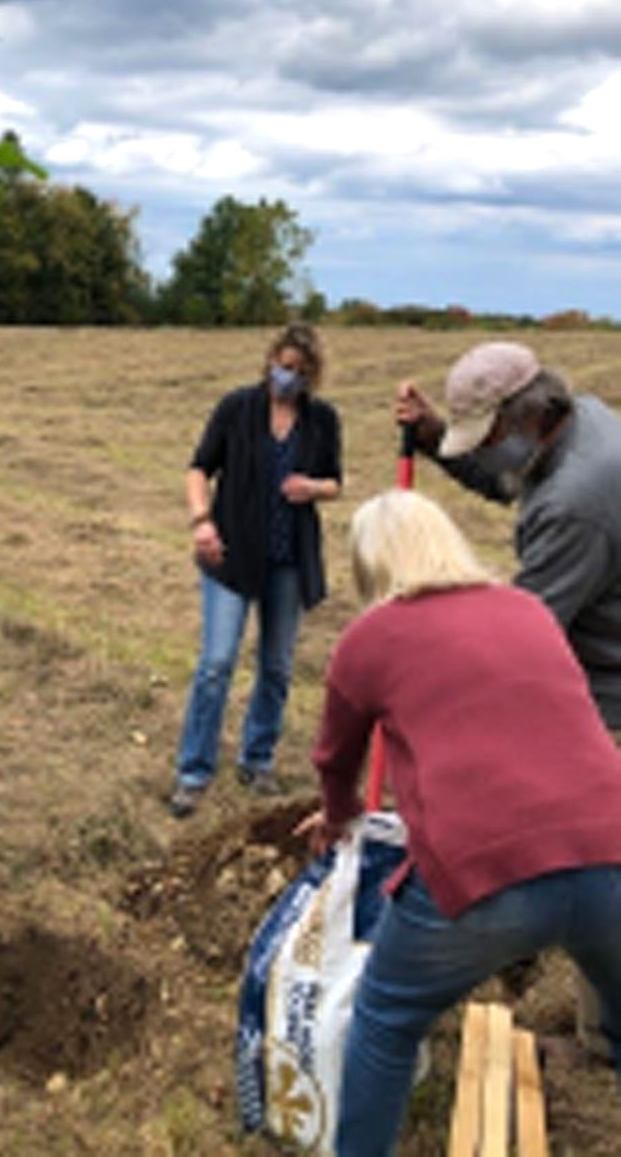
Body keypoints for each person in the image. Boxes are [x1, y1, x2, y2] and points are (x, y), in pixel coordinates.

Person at [303, 489, 621, 1157]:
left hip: (482, 875)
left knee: (387, 1019)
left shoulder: (372, 636)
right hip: (607, 850)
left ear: (369, 565)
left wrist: (337, 818)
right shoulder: (527, 609)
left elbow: (335, 757)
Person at [395, 338, 621, 1058]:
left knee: (601, 862)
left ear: (526, 416)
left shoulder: (577, 502)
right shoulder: (573, 420)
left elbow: (521, 642)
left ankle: (603, 1039)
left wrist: (427, 688)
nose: (486, 455)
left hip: (610, 693)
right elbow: (505, 479)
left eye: (482, 439)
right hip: (597, 658)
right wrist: (435, 440)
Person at [170, 322, 342, 818]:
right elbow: (200, 467)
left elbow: (336, 481)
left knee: (277, 667)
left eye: (300, 371)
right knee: (216, 664)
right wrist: (201, 521)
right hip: (229, 555)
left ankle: (257, 759)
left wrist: (313, 488)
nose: (288, 377)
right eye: (283, 366)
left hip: (288, 561)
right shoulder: (236, 408)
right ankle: (193, 771)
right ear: (270, 361)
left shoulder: (322, 420)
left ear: (313, 376)